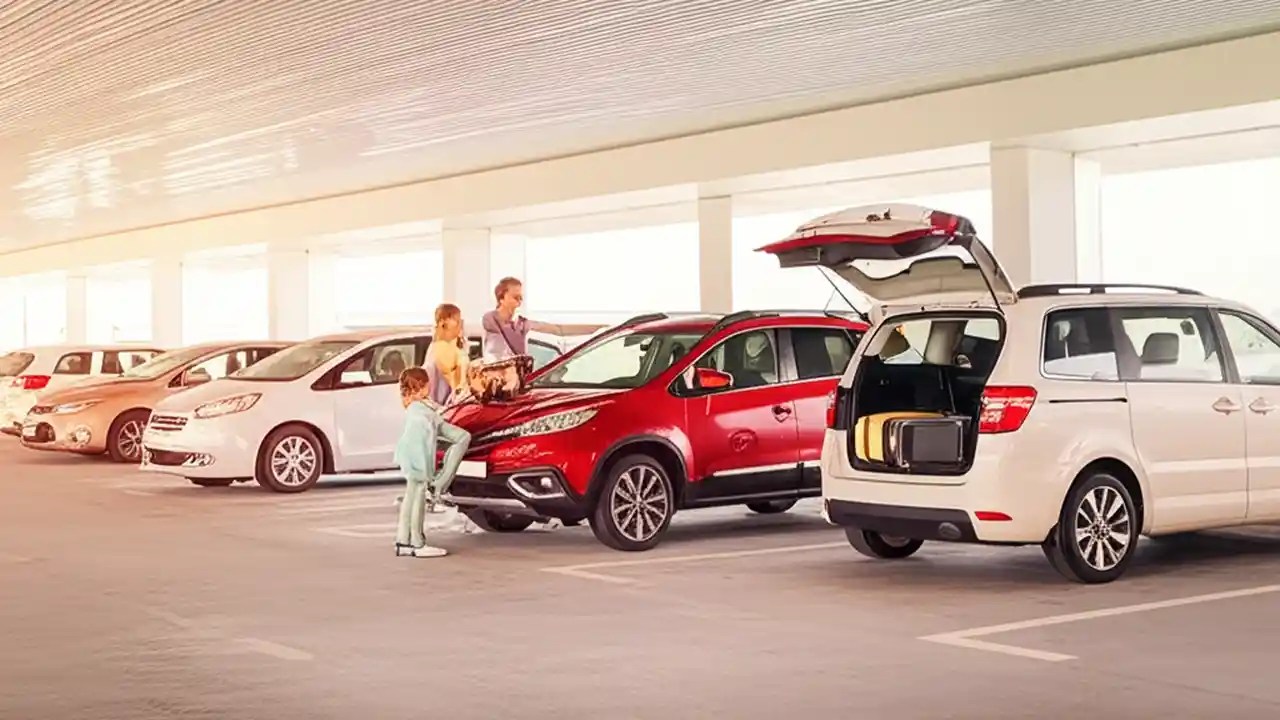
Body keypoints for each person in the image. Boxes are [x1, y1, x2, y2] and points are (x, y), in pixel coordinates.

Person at [393, 367, 472, 558]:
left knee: (411, 497)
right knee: (417, 497)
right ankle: (417, 543)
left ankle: (403, 541)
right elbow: (424, 442)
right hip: (417, 458)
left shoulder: (415, 408)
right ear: (423, 386)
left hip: (408, 457)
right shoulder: (424, 414)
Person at [481, 276, 602, 361]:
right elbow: (497, 350)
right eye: (515, 297)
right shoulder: (490, 318)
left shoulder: (521, 323)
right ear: (501, 297)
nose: (520, 301)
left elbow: (557, 330)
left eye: (521, 297)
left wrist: (599, 329)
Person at [425, 303, 470, 405]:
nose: (460, 323)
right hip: (446, 404)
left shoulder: (456, 345)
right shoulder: (439, 348)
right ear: (444, 321)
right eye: (456, 319)